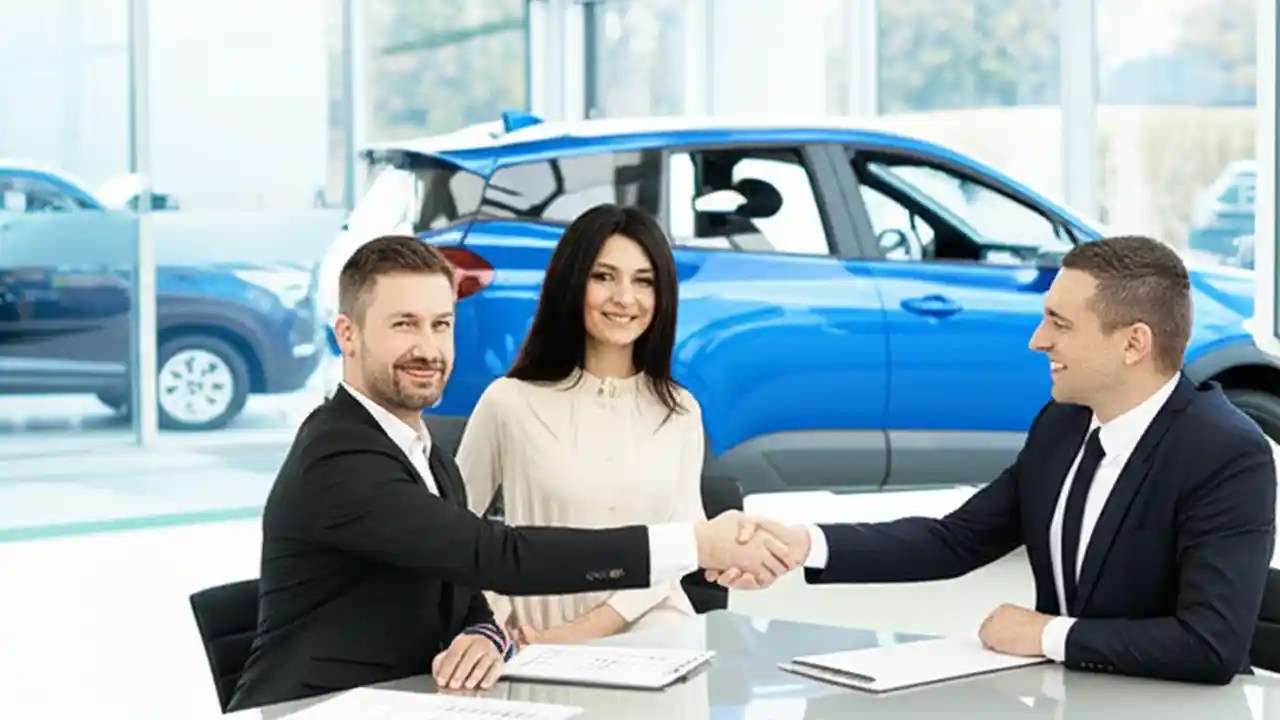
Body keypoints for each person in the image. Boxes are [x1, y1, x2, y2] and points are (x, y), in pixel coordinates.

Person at [226, 235, 796, 712]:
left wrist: (484, 630)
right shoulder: (340, 456)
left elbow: (460, 577)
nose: (428, 348)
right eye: (405, 325)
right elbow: (497, 556)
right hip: (320, 708)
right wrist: (695, 541)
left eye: (441, 325)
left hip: (411, 697)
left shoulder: (417, 449)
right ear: (347, 334)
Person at [717, 235, 1277, 685]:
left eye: (1060, 324)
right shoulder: (1063, 425)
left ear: (1133, 343)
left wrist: (1046, 634)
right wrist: (804, 544)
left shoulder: (1227, 453)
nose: (1038, 340)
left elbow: (1209, 645)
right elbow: (955, 539)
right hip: (1069, 698)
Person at [456, 204, 704, 647]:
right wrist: (493, 617)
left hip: (658, 639)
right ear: (572, 283)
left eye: (643, 281)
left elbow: (683, 548)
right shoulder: (508, 403)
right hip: (531, 643)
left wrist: (576, 634)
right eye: (603, 276)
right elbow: (453, 535)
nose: (624, 298)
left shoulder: (681, 411)